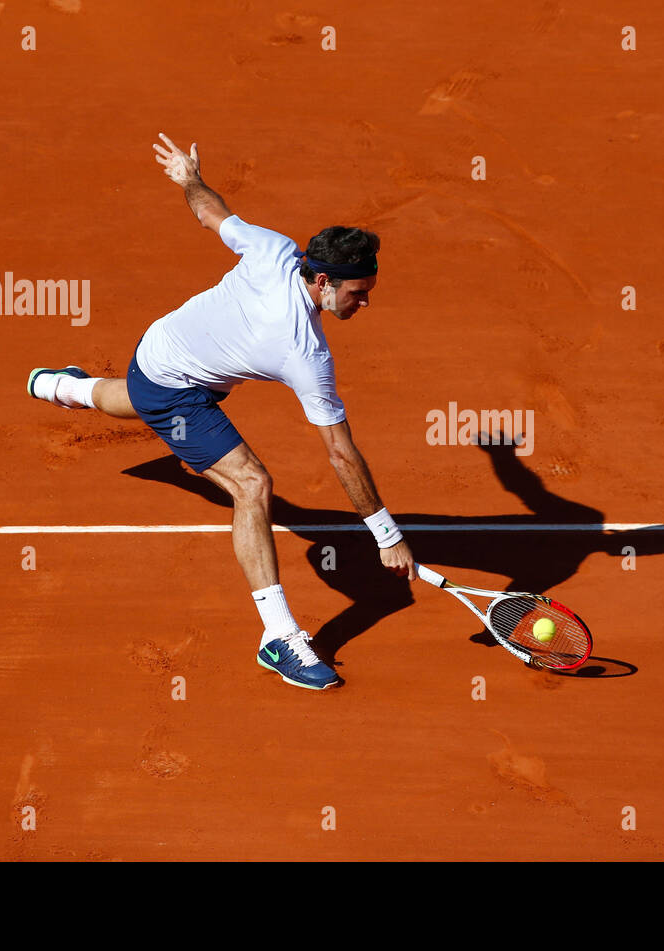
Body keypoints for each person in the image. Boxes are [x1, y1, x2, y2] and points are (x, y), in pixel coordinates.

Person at [27, 134, 416, 690]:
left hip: (163, 345)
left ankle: (63, 388)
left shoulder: (275, 249)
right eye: (358, 293)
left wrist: (187, 178)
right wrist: (384, 533)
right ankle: (278, 639)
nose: (366, 302)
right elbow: (339, 451)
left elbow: (213, 212)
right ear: (324, 282)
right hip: (175, 383)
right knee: (252, 484)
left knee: (132, 398)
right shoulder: (304, 352)